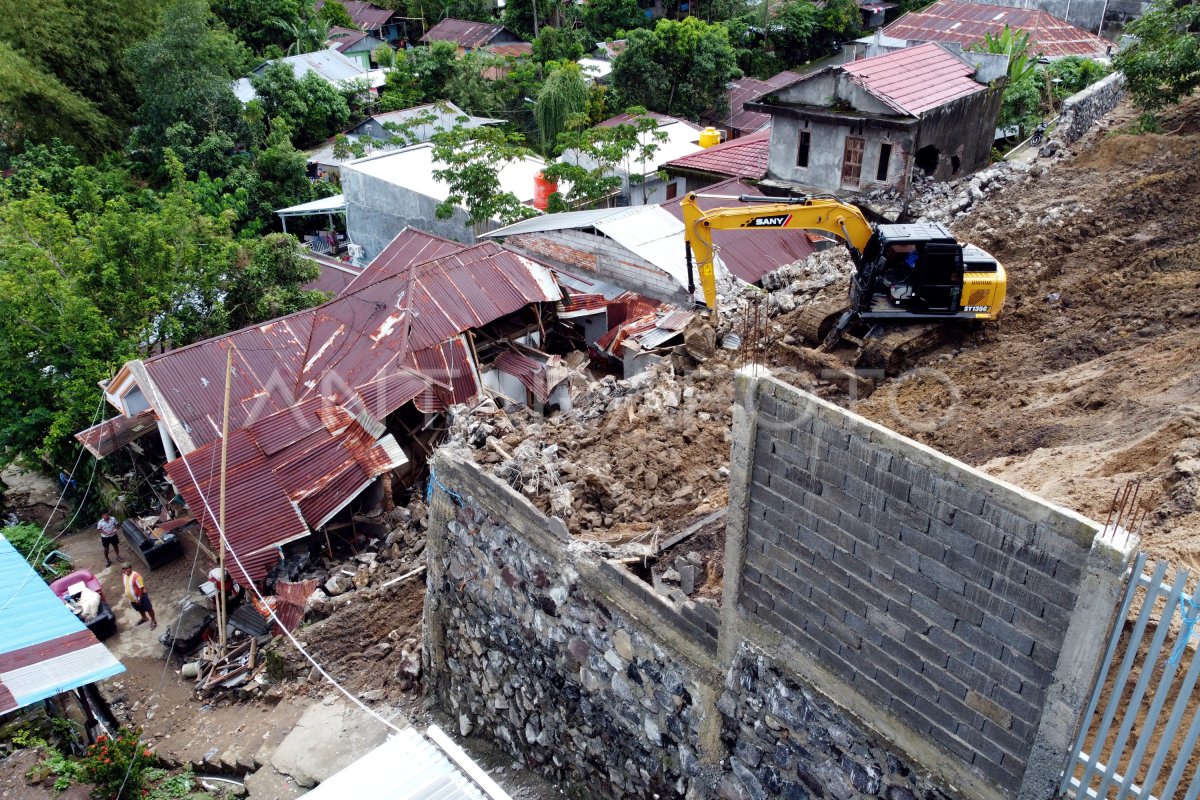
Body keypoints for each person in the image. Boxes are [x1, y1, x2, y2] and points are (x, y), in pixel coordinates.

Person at [121, 563, 157, 630]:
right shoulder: (124, 576)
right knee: (139, 608)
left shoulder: (136, 576)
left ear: (131, 568)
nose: (125, 570)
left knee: (149, 608)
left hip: (140, 597)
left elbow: (141, 588)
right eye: (124, 569)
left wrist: (139, 598)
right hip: (132, 598)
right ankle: (144, 618)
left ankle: (153, 620)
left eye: (127, 568)